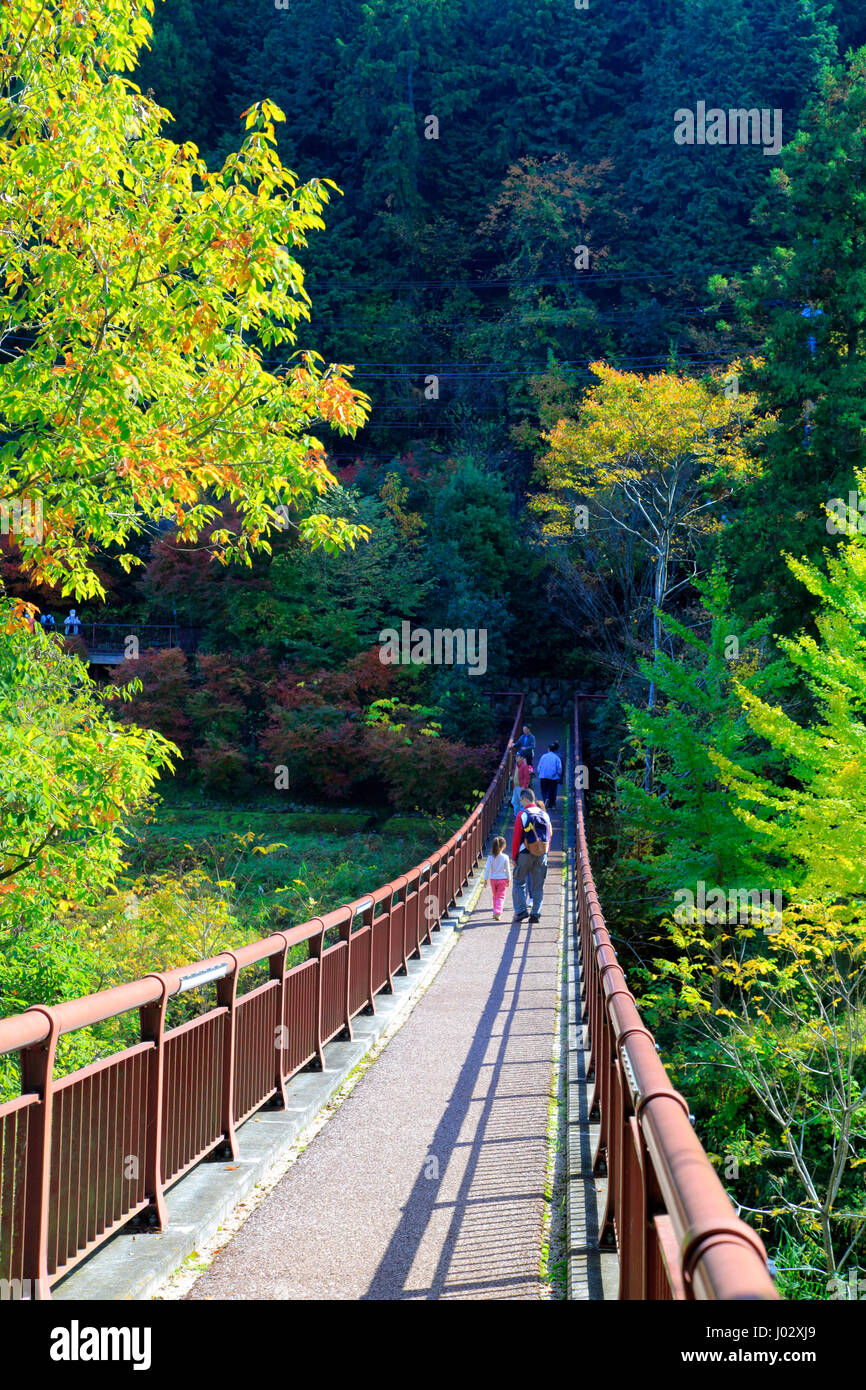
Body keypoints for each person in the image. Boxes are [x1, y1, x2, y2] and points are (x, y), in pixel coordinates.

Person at [511, 788, 552, 924]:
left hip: (525, 853)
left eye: (521, 800)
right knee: (538, 885)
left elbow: (516, 838)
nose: (520, 803)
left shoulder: (522, 814)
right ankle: (536, 913)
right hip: (541, 853)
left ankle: (521, 910)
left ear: (525, 799)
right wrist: (545, 852)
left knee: (518, 881)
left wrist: (514, 856)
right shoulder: (545, 815)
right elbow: (549, 835)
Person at [483, 835, 512, 921]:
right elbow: (507, 870)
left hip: (493, 880)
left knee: (495, 896)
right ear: (503, 846)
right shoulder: (505, 857)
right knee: (501, 897)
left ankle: (495, 911)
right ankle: (497, 911)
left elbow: (487, 869)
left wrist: (485, 880)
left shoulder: (490, 857)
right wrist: (509, 879)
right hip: (502, 879)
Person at [537, 741, 563, 810]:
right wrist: (558, 774)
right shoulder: (557, 758)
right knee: (553, 791)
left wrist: (539, 772)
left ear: (548, 749)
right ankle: (552, 804)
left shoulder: (543, 756)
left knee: (544, 790)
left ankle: (546, 799)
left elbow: (539, 766)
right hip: (553, 778)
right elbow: (559, 768)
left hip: (543, 776)